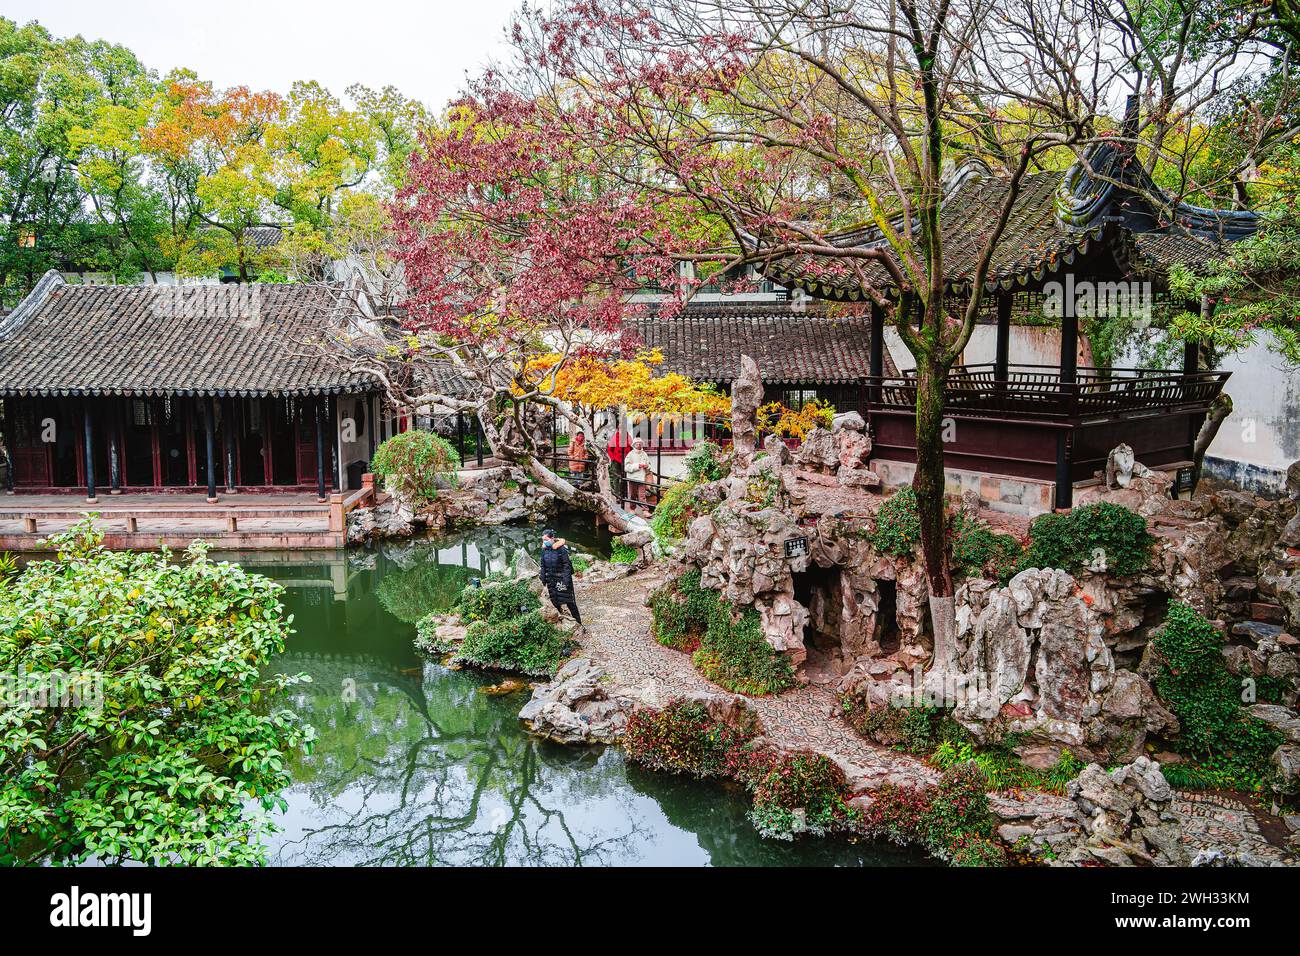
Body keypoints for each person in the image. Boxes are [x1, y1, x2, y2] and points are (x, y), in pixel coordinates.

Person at [540, 529, 582, 625]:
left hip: (562, 580)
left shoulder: (561, 549)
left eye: (546, 539)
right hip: (551, 580)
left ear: (552, 538)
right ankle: (561, 622)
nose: (544, 542)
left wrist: (567, 581)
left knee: (570, 602)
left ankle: (579, 623)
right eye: (543, 540)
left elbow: (567, 565)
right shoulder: (544, 550)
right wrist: (543, 578)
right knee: (555, 602)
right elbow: (542, 565)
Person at [623, 437, 654, 511]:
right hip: (632, 477)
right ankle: (632, 509)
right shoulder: (630, 454)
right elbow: (626, 467)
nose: (639, 445)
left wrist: (647, 466)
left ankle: (645, 511)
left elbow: (649, 465)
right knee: (632, 495)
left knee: (642, 495)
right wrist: (638, 466)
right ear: (634, 445)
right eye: (637, 443)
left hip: (641, 477)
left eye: (640, 443)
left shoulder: (644, 454)